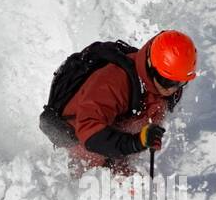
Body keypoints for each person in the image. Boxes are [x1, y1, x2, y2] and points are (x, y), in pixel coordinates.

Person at [39, 31, 197, 174]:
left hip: (115, 131)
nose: (173, 89)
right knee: (103, 184)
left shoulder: (165, 84)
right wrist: (137, 142)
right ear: (151, 65)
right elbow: (90, 134)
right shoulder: (113, 82)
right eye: (167, 81)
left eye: (181, 82)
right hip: (79, 136)